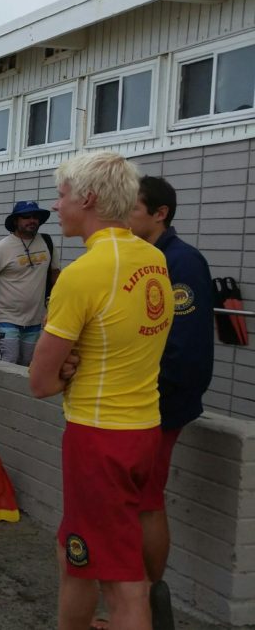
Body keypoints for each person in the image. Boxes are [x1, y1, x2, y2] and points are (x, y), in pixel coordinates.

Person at [29, 152, 174, 630]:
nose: (57, 204)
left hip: (99, 436)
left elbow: (40, 382)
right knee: (76, 549)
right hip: (142, 428)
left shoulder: (83, 273)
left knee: (124, 585)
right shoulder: (153, 257)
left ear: (88, 198)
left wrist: (67, 369)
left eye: (63, 195)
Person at [126, 175, 214, 627]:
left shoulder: (182, 262)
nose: (125, 217)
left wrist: (156, 401)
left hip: (159, 405)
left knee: (146, 500)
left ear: (159, 213)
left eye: (133, 208)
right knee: (134, 499)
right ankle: (134, 600)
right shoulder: (142, 258)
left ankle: (146, 601)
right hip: (135, 403)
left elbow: (186, 350)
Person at [0, 201, 60, 366]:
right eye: (26, 217)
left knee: (28, 363)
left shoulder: (47, 243)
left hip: (36, 318)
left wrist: (56, 307)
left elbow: (56, 275)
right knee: (10, 362)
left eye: (35, 217)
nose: (32, 220)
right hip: (8, 318)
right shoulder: (0, 248)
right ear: (15, 221)